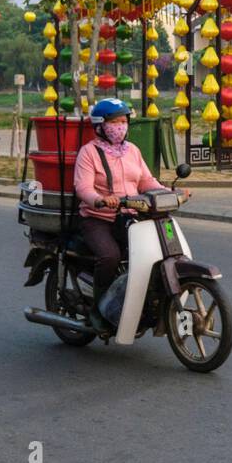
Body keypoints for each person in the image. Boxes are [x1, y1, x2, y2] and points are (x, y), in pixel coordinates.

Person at [73, 98, 188, 332]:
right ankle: (100, 310)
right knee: (111, 256)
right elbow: (82, 187)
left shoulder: (132, 151)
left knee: (154, 253)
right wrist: (100, 199)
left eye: (124, 121)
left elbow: (147, 181)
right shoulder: (89, 153)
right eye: (115, 122)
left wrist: (171, 193)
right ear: (100, 125)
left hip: (131, 217)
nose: (121, 126)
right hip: (98, 219)